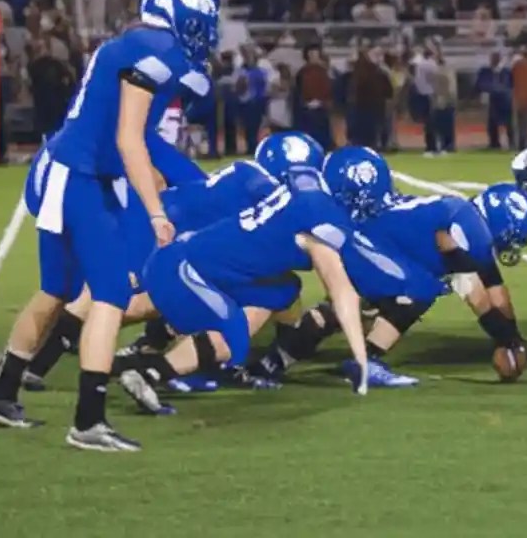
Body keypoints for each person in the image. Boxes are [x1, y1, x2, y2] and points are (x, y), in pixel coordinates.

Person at [0, 0, 218, 451]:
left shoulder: (136, 40)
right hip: (80, 176)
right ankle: (89, 420)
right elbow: (129, 139)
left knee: (57, 290)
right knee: (109, 292)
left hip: (70, 168)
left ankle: (0, 392)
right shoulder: (157, 50)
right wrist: (154, 211)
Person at [21, 132, 326, 391]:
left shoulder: (246, 172)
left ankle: (40, 364)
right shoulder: (270, 194)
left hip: (157, 219)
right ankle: (179, 366)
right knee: (125, 300)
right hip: (166, 231)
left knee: (122, 298)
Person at [117, 163, 375, 415]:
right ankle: (145, 370)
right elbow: (343, 293)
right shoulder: (323, 222)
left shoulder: (303, 190)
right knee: (231, 335)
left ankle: (135, 351)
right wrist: (361, 359)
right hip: (189, 270)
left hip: (195, 258)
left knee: (282, 291)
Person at [248, 179, 527, 388]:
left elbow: (496, 290)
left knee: (363, 302)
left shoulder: (467, 220)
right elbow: (475, 295)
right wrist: (504, 341)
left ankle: (271, 365)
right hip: (364, 238)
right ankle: (363, 361)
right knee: (416, 289)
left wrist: (512, 340)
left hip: (374, 241)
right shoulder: (466, 230)